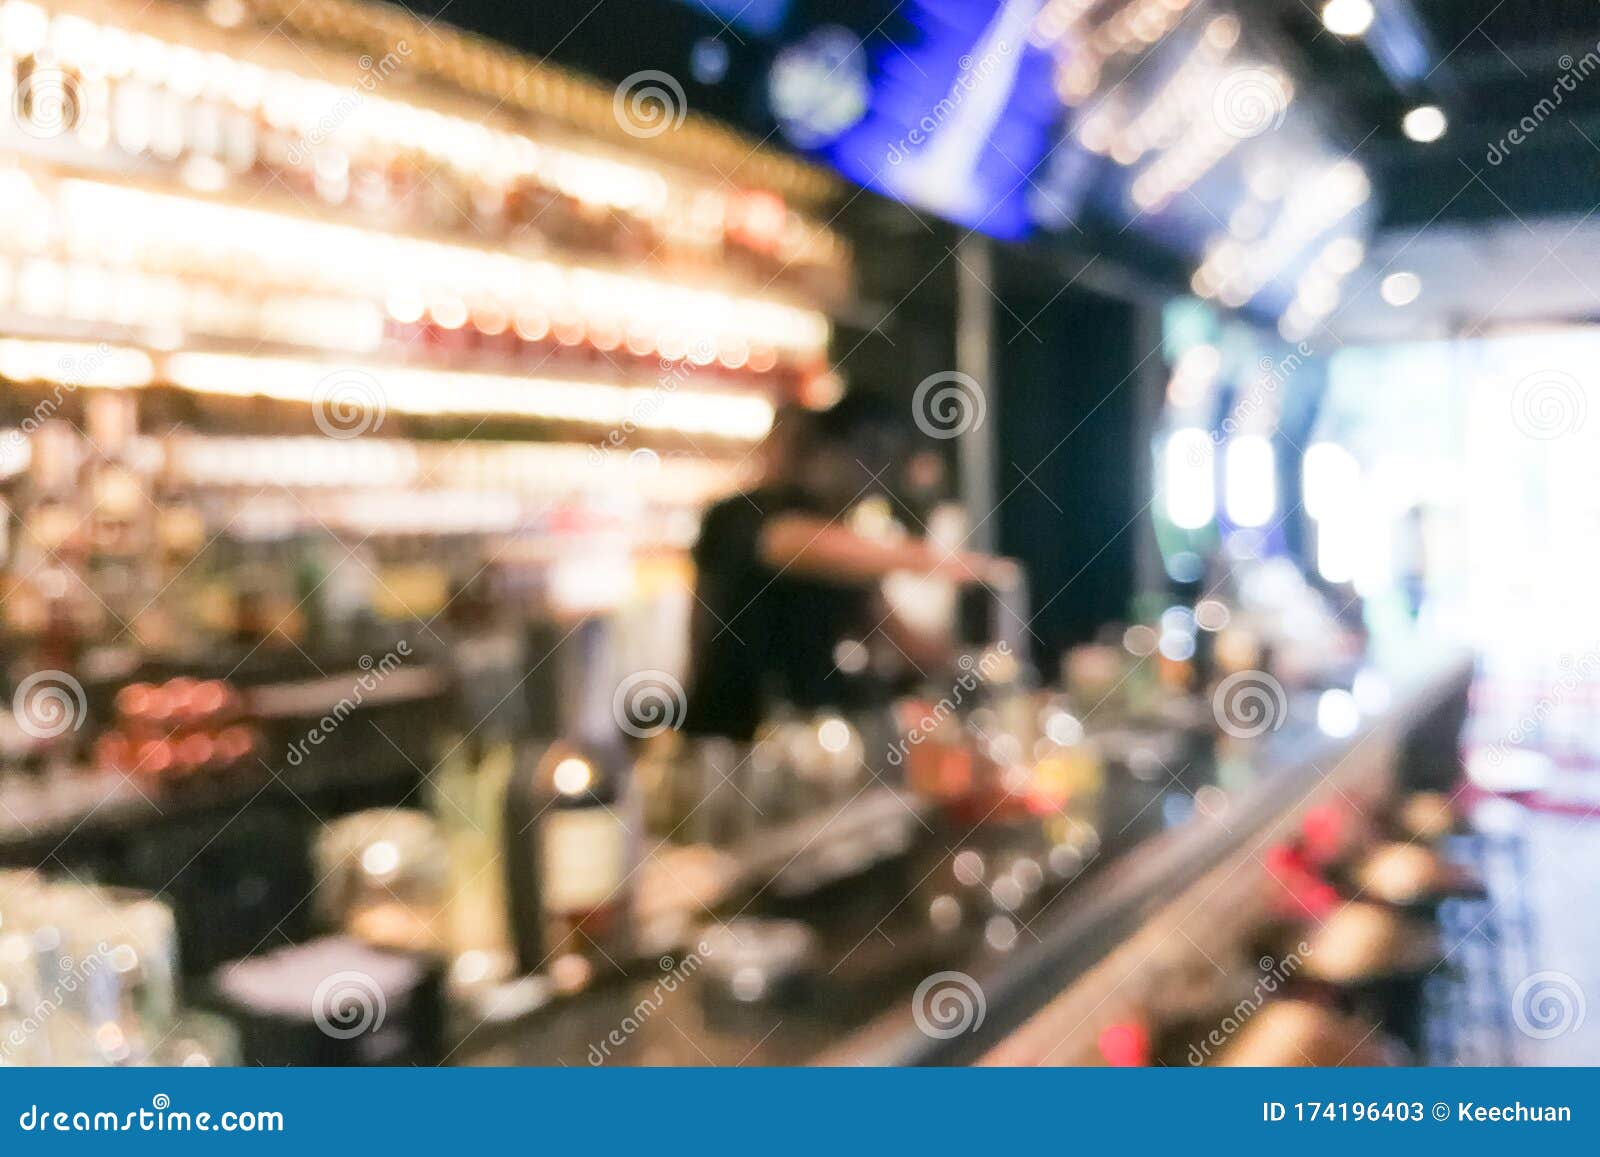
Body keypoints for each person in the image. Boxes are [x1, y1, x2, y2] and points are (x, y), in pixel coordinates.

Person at [682, 392, 1014, 741]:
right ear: (829, 450)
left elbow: (892, 632)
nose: (874, 479)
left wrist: (975, 663)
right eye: (868, 459)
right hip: (725, 734)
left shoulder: (842, 535)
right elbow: (794, 544)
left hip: (805, 736)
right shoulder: (742, 514)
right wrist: (943, 562)